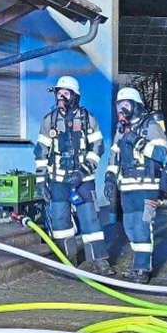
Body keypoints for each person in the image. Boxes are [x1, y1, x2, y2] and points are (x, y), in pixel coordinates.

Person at [34, 76, 111, 274]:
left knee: (90, 220)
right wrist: (41, 182)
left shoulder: (88, 119)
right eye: (59, 93)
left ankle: (99, 261)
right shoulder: (49, 120)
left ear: (75, 96)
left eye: (65, 93)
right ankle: (67, 259)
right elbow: (41, 152)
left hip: (83, 181)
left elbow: (98, 148)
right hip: (58, 181)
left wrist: (83, 171)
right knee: (60, 223)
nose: (61, 97)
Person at [104, 87, 167, 284]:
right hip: (127, 189)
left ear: (136, 106)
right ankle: (137, 265)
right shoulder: (120, 130)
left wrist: (137, 141)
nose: (121, 109)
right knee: (129, 228)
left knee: (142, 227)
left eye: (125, 104)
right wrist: (109, 179)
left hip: (146, 187)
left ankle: (143, 269)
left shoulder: (150, 126)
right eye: (118, 105)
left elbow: (162, 154)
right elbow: (114, 158)